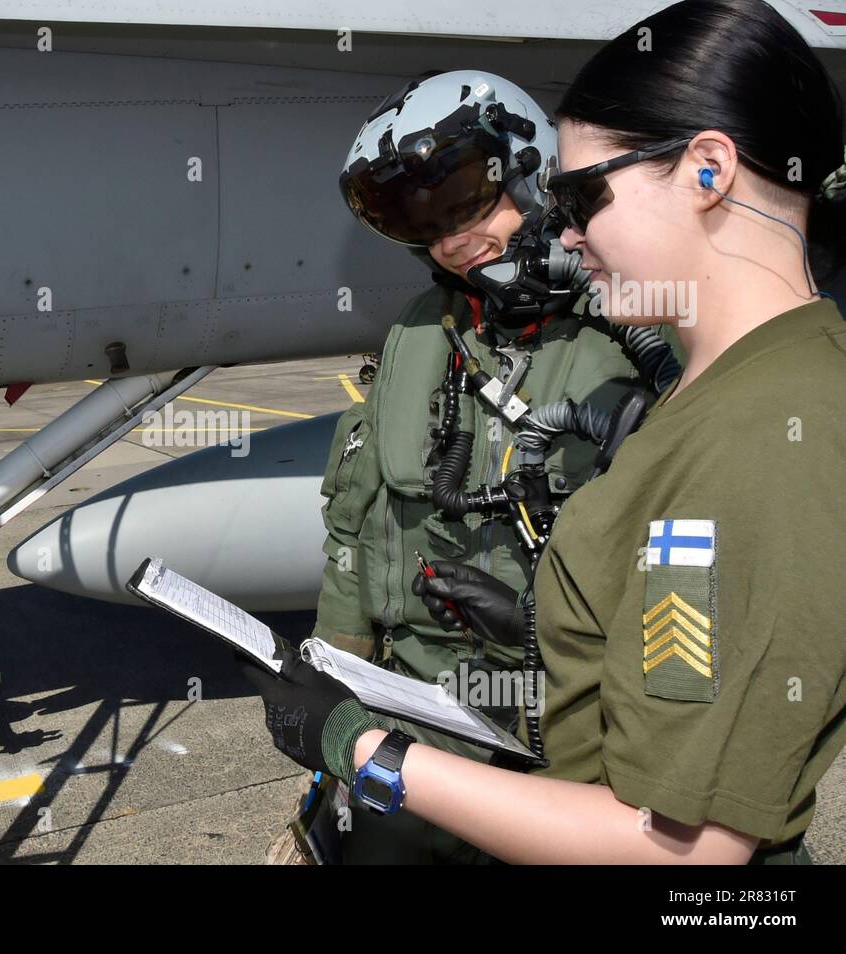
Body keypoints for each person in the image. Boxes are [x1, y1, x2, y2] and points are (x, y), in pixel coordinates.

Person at [246, 0, 846, 864]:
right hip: (484, 764)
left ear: (710, 173)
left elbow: (677, 846)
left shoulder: (757, 430)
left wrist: (362, 750)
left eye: (584, 195)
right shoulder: (715, 399)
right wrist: (349, 697)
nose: (567, 230)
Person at [293, 71, 680, 863]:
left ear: (534, 173)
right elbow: (356, 515)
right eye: (416, 218)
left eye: (463, 197)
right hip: (421, 720)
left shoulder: (635, 330)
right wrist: (336, 674)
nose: (446, 237)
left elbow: (693, 577)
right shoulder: (416, 334)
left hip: (570, 726)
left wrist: (538, 629)